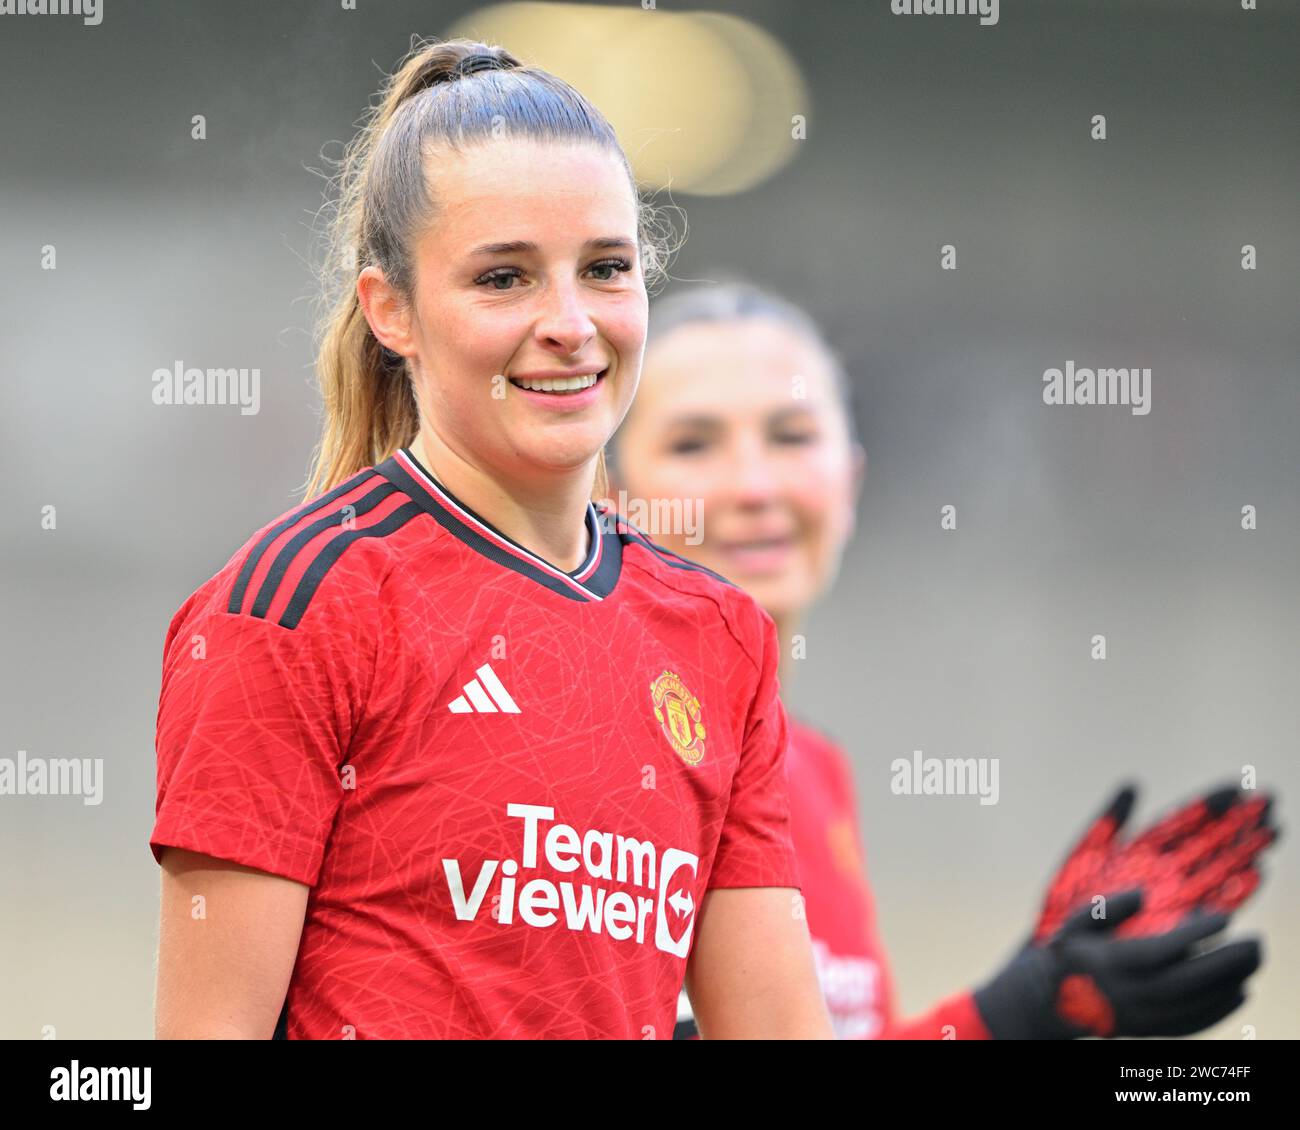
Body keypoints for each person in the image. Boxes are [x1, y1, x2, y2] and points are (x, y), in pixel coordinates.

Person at [150, 40, 833, 1040]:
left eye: (605, 268)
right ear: (392, 312)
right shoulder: (291, 607)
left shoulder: (722, 637)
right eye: (504, 278)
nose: (569, 322)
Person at [609, 279, 1276, 1039]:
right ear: (613, 500)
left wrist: (1051, 995)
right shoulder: (600, 760)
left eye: (791, 436)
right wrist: (1010, 1016)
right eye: (693, 444)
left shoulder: (809, 769)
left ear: (850, 479)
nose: (754, 486)